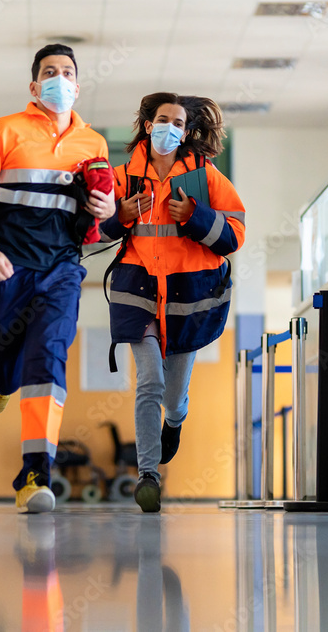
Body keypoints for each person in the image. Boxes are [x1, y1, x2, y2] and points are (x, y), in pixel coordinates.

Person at [0, 44, 115, 513]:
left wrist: (105, 209)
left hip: (62, 267)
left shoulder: (95, 143)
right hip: (5, 263)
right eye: (50, 72)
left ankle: (34, 475)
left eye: (67, 72)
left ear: (78, 85)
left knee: (48, 357)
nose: (59, 79)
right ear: (34, 85)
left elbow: (97, 214)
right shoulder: (5, 130)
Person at [99, 93, 245, 513]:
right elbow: (95, 231)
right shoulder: (122, 175)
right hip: (138, 290)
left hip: (187, 297)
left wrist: (195, 216)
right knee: (150, 381)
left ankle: (175, 421)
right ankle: (148, 475)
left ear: (186, 131)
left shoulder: (204, 175)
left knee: (174, 395)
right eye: (163, 120)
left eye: (178, 123)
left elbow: (235, 234)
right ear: (148, 125)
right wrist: (120, 215)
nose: (170, 129)